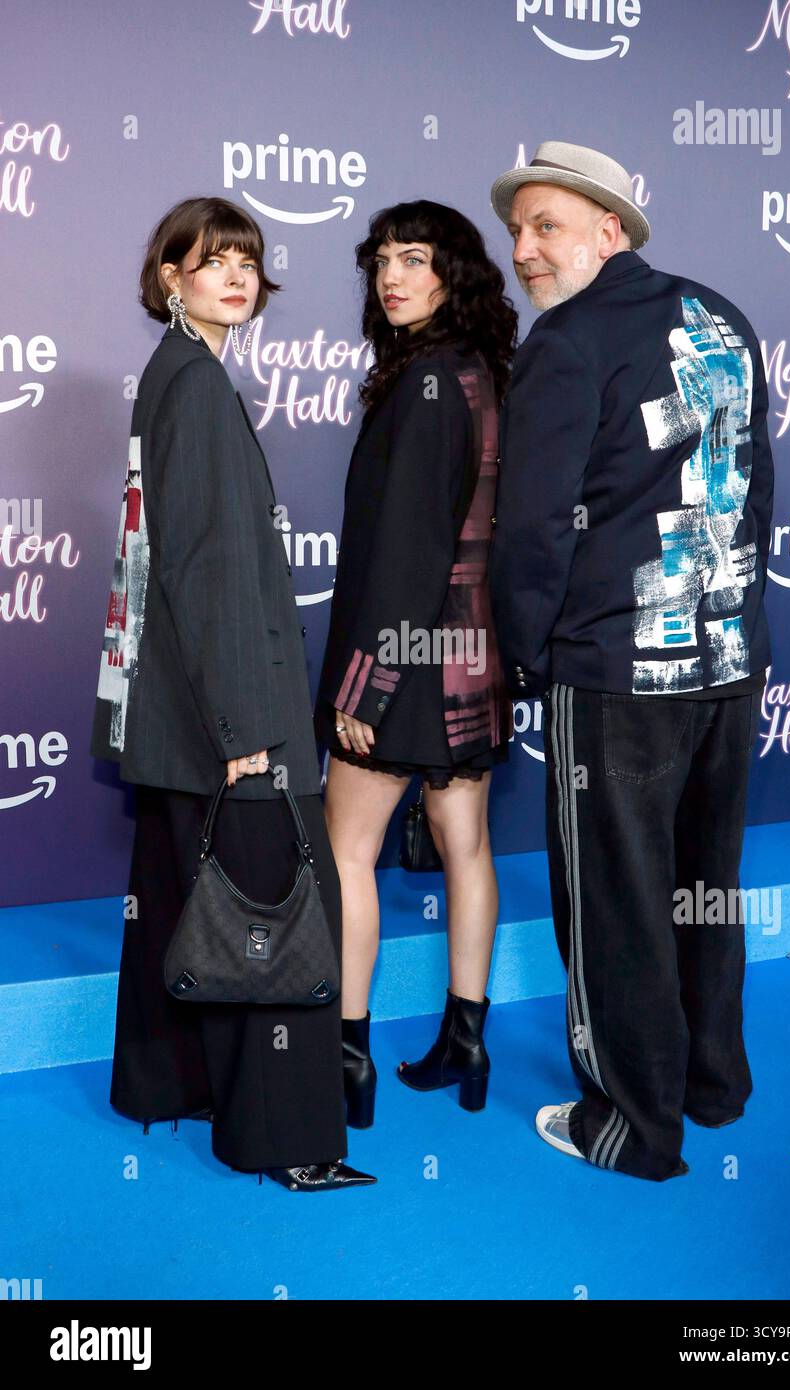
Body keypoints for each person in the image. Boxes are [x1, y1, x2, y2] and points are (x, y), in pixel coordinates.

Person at [488, 143, 774, 1182]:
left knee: (617, 896)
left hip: (614, 670)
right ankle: (712, 1082)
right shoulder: (722, 317)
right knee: (705, 880)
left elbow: (531, 531)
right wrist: (732, 619)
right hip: (728, 658)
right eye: (516, 230)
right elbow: (757, 492)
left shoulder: (566, 339)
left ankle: (630, 1126)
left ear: (611, 229)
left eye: (547, 225)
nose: (523, 250)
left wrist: (525, 655)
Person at [90, 195, 374, 1192]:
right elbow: (205, 572)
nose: (237, 276)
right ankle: (284, 1141)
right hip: (230, 717)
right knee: (275, 915)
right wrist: (248, 729)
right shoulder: (197, 388)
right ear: (170, 278)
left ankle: (165, 1084)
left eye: (248, 260)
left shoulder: (173, 376)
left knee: (175, 896)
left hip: (174, 715)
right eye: (212, 261)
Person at [314, 201, 518, 1127]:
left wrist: (368, 682)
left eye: (414, 259)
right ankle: (466, 1045)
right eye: (381, 261)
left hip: (407, 663)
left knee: (346, 852)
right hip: (470, 659)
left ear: (453, 274)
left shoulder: (429, 381)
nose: (391, 277)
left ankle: (343, 1057)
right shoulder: (479, 372)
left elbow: (405, 552)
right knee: (465, 845)